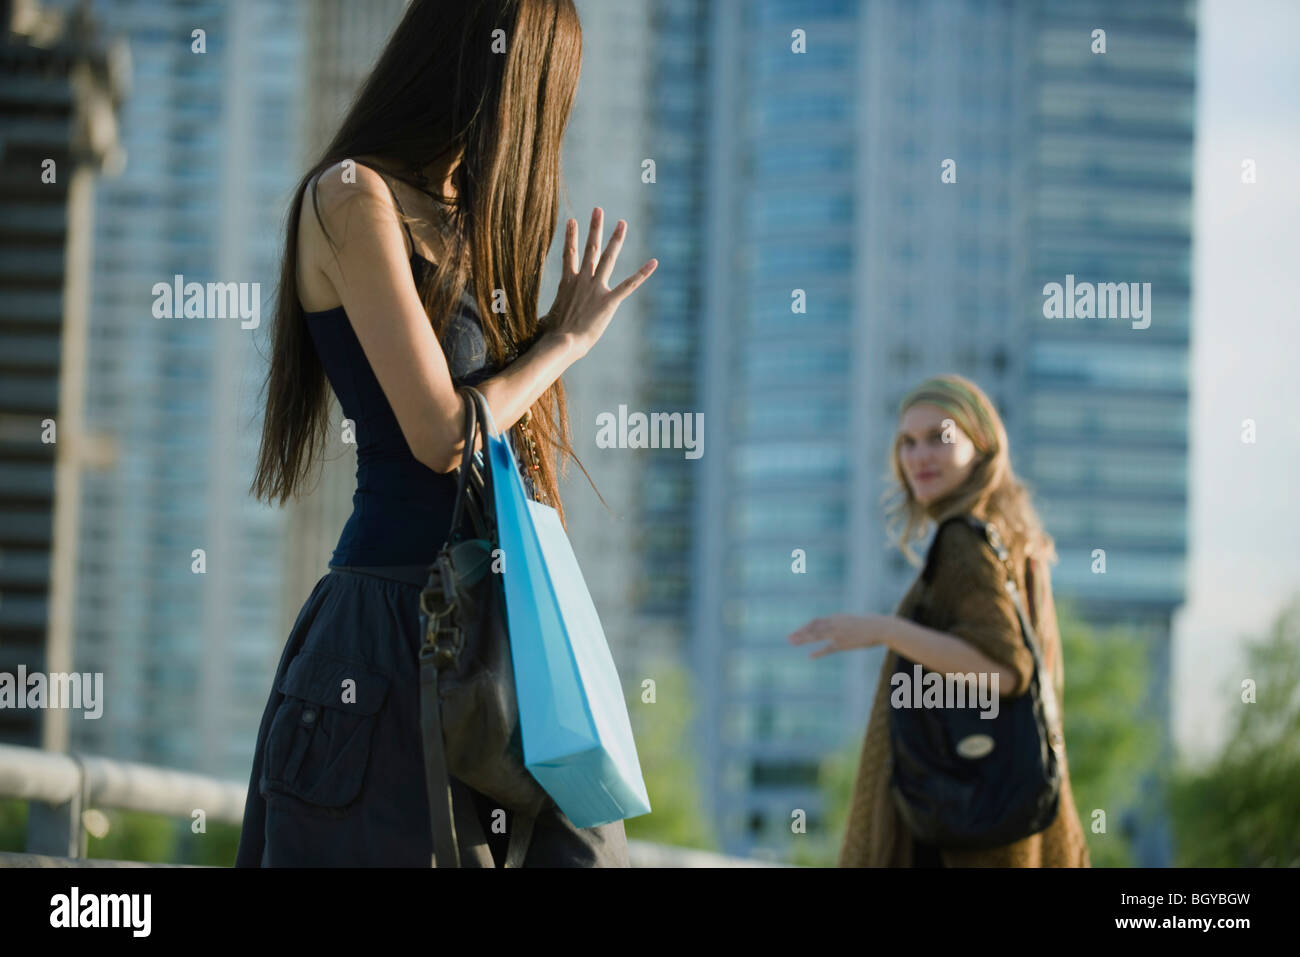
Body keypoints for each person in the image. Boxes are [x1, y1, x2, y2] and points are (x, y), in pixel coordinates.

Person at [235, 0, 656, 867]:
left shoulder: (471, 224)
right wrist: (563, 344)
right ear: (488, 69)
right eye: (543, 91)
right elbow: (440, 434)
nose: (546, 123)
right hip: (390, 635)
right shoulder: (354, 197)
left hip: (510, 629)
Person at [788, 374, 1090, 867]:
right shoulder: (1016, 542)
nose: (918, 456)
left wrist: (884, 630)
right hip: (1012, 820)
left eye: (939, 438)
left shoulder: (963, 541)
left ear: (982, 446)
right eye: (907, 442)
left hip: (964, 835)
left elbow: (1006, 671)